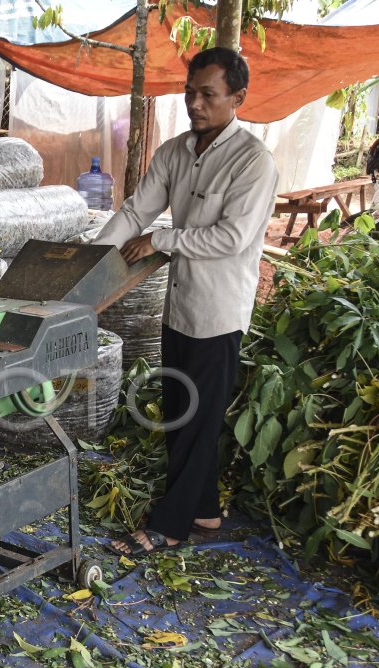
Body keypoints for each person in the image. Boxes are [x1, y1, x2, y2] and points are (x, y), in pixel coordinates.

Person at [95, 47, 279, 557]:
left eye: (208, 95)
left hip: (218, 312)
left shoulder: (253, 162)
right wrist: (87, 260)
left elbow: (234, 237)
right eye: (190, 92)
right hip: (180, 307)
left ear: (237, 98)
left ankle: (169, 525)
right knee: (180, 411)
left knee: (200, 420)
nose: (195, 104)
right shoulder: (175, 152)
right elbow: (137, 210)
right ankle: (206, 511)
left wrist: (164, 240)